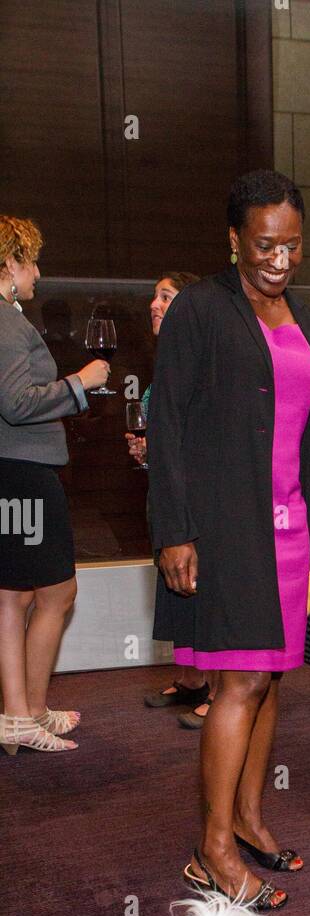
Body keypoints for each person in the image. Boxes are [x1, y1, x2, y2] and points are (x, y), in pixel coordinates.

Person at [147, 170, 310, 910]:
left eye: (291, 244)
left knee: (272, 676)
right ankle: (212, 850)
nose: (279, 259)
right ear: (233, 240)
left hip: (288, 526)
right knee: (240, 679)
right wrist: (175, 531)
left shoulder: (309, 319)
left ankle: (249, 819)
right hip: (224, 526)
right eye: (264, 244)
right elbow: (169, 426)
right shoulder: (199, 309)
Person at [0, 215, 110, 755]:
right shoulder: (2, 319)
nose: (38, 273)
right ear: (9, 263)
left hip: (18, 471)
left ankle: (26, 711)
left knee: (30, 592)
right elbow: (16, 404)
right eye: (32, 261)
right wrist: (80, 383)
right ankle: (20, 715)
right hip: (19, 472)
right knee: (30, 593)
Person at [126, 271, 213, 725]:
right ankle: (194, 680)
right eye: (153, 297)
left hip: (196, 503)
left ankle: (220, 689)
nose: (154, 305)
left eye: (166, 296)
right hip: (167, 497)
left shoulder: (202, 363)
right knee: (177, 593)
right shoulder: (164, 366)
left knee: (202, 589)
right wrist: (147, 455)